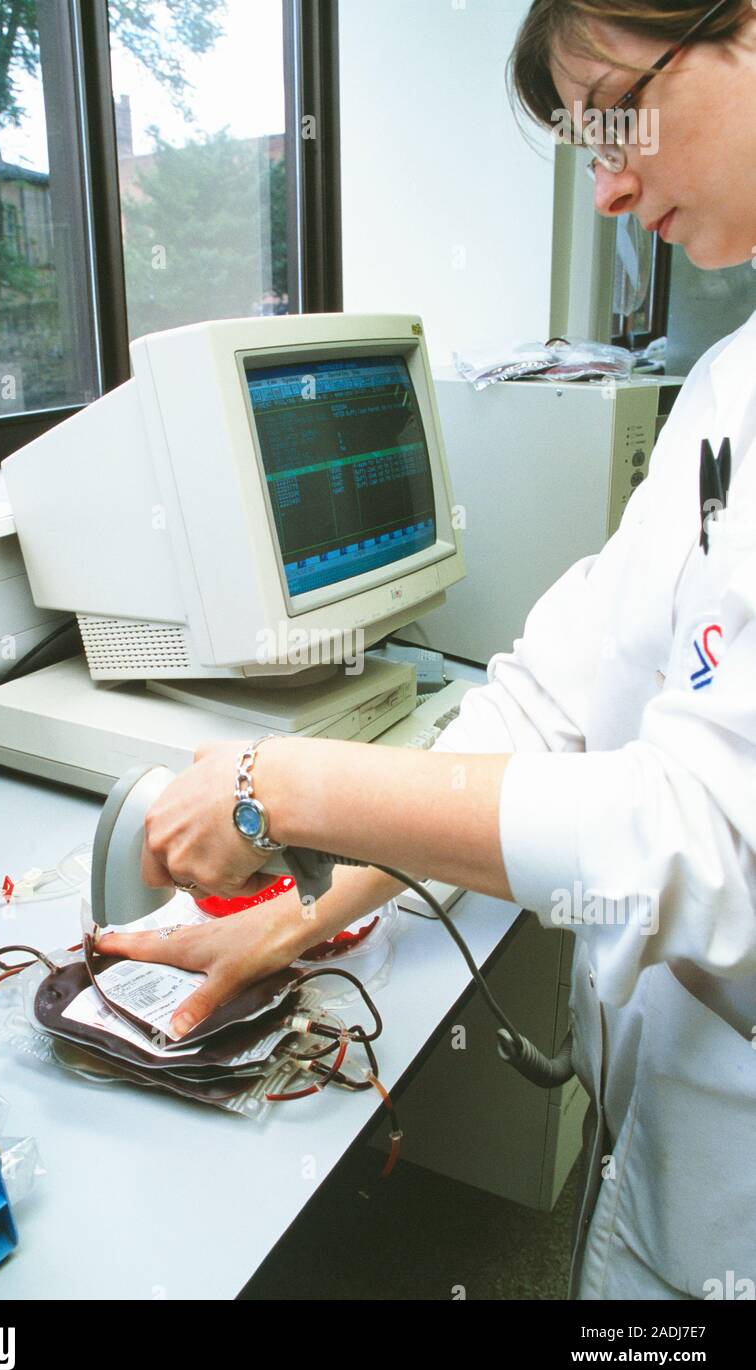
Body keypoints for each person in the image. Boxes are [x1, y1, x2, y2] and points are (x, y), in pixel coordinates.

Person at [98, 0, 756, 1300]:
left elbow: (710, 843)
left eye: (616, 116)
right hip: (668, 1145)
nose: (611, 187)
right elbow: (549, 696)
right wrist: (302, 908)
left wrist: (282, 789)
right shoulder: (728, 387)